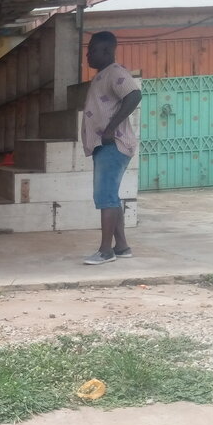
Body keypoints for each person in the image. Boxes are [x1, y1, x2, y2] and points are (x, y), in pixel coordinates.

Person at [81, 31, 142, 265]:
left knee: (105, 196)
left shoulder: (115, 72)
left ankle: (105, 251)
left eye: (92, 50)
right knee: (111, 196)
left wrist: (110, 129)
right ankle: (122, 247)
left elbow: (134, 94)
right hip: (103, 146)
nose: (87, 54)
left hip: (112, 144)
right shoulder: (102, 75)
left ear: (106, 51)